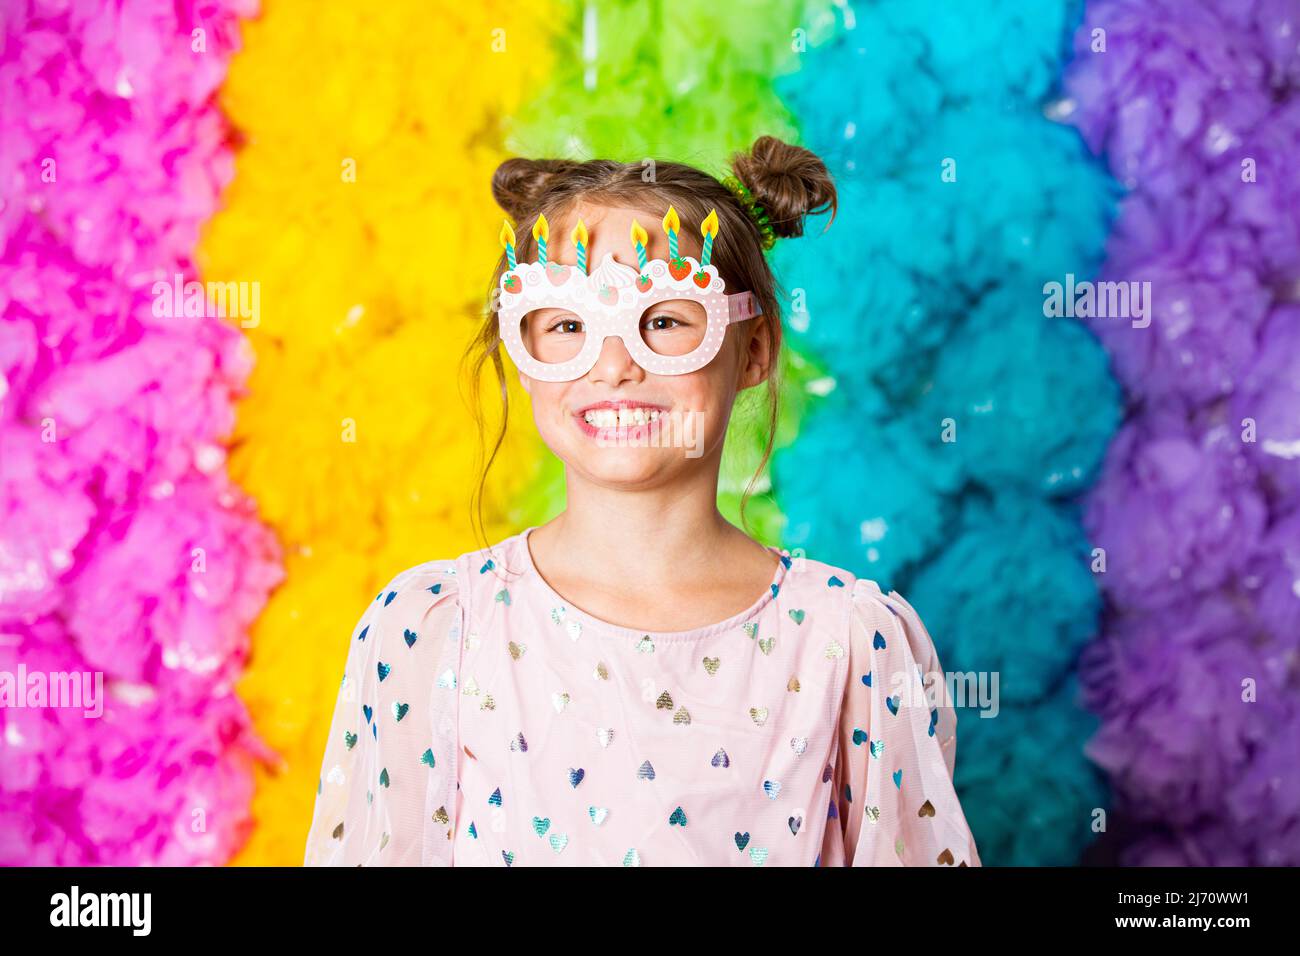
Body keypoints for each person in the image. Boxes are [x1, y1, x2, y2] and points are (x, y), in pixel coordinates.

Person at [303, 136, 981, 867]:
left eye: (664, 320)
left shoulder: (849, 642)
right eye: (567, 325)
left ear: (752, 351)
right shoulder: (430, 629)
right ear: (520, 354)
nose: (616, 364)